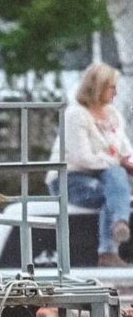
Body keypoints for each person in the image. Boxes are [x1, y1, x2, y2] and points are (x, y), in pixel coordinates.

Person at [47, 63, 133, 268]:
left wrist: (127, 162)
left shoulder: (113, 115)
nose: (116, 92)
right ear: (97, 87)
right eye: (111, 87)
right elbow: (82, 157)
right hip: (70, 178)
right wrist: (117, 161)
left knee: (114, 183)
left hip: (104, 178)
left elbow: (125, 149)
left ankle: (114, 236)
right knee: (114, 191)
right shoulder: (75, 115)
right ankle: (113, 237)